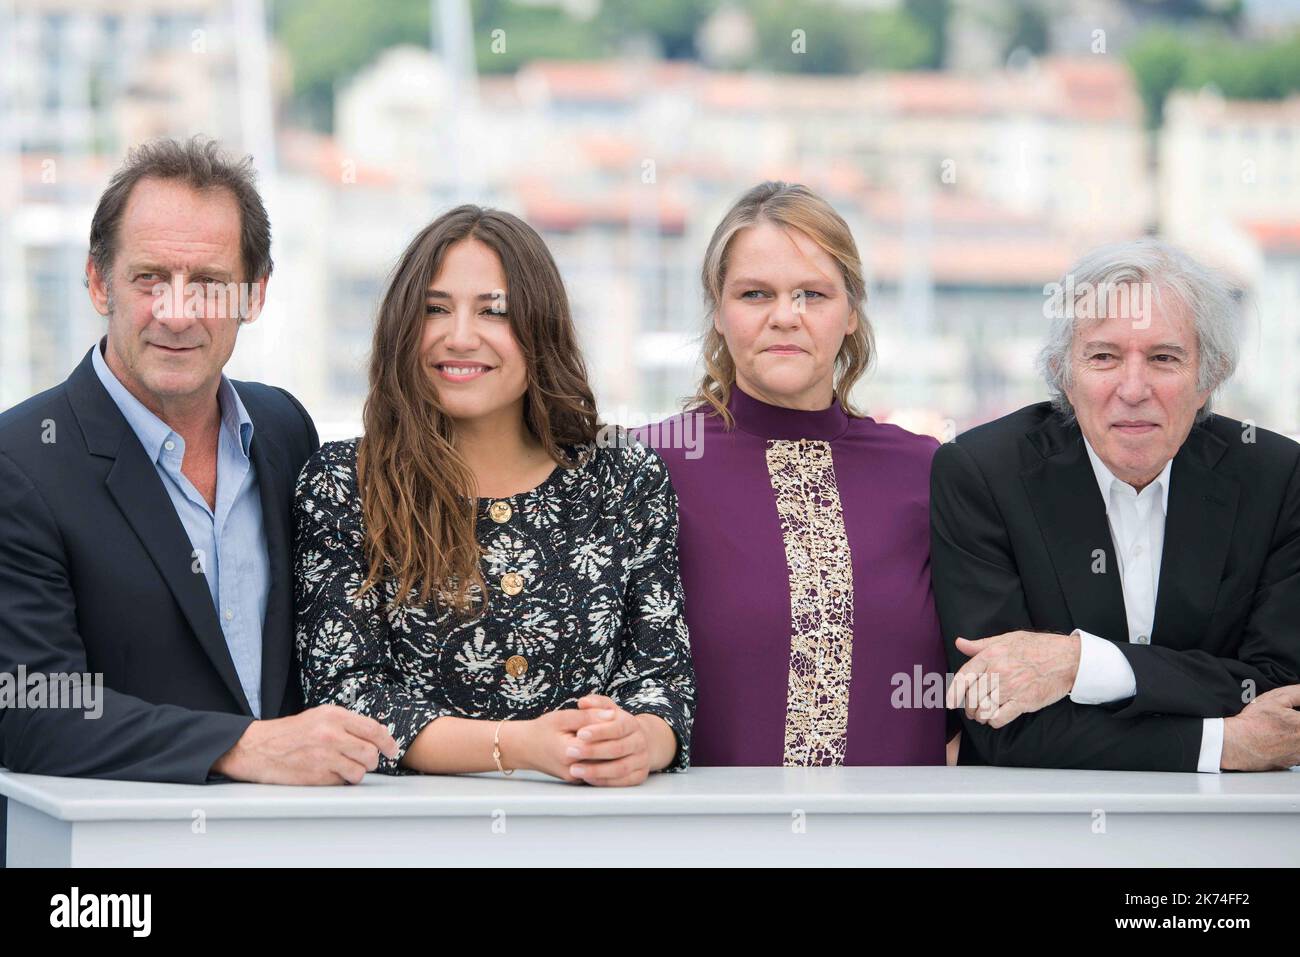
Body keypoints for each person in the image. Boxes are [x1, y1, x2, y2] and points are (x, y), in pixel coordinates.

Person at [0, 137, 400, 864]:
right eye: (150, 277)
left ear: (255, 293)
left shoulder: (284, 430)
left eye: (210, 281)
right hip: (113, 869)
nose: (177, 312)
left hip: (295, 849)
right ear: (99, 284)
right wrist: (246, 745)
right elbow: (33, 707)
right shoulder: (20, 461)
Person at [294, 205, 695, 786]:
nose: (460, 337)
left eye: (494, 311)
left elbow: (664, 682)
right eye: (435, 310)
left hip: (596, 832)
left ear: (540, 328)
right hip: (404, 837)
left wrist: (640, 742)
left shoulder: (624, 474)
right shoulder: (342, 482)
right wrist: (521, 747)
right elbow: (348, 697)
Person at [932, 237, 1300, 772]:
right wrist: (1225, 743)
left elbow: (1280, 698)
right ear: (1063, 373)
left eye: (1164, 358)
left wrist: (1078, 665)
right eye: (1103, 356)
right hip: (1037, 831)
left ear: (1209, 377)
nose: (1133, 388)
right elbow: (995, 723)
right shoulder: (980, 474)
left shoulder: (1278, 477)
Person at [639, 181, 952, 766]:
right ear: (718, 312)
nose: (786, 316)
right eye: (756, 294)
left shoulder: (928, 473)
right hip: (709, 843)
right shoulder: (645, 468)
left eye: (813, 293)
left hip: (898, 842)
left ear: (852, 313)